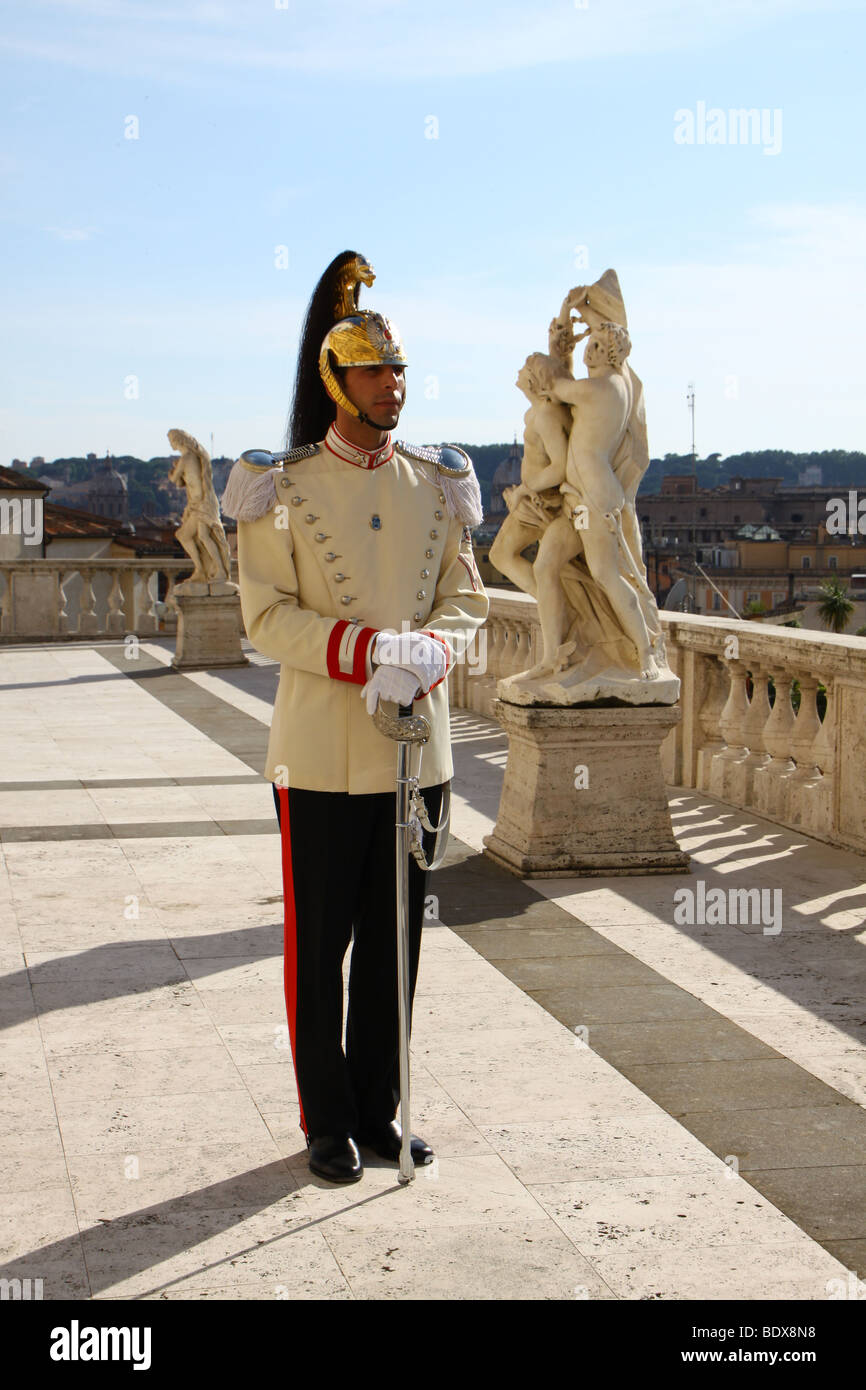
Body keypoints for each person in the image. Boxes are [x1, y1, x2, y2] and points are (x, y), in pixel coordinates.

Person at [220, 251, 489, 1183]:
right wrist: (368, 650)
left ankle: (379, 1114)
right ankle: (326, 1121)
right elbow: (265, 618)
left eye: (401, 371)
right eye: (376, 372)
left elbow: (468, 599)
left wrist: (432, 651)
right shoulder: (280, 487)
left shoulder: (439, 482)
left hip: (422, 751)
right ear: (335, 380)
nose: (394, 388)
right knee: (320, 945)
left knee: (396, 947)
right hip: (321, 756)